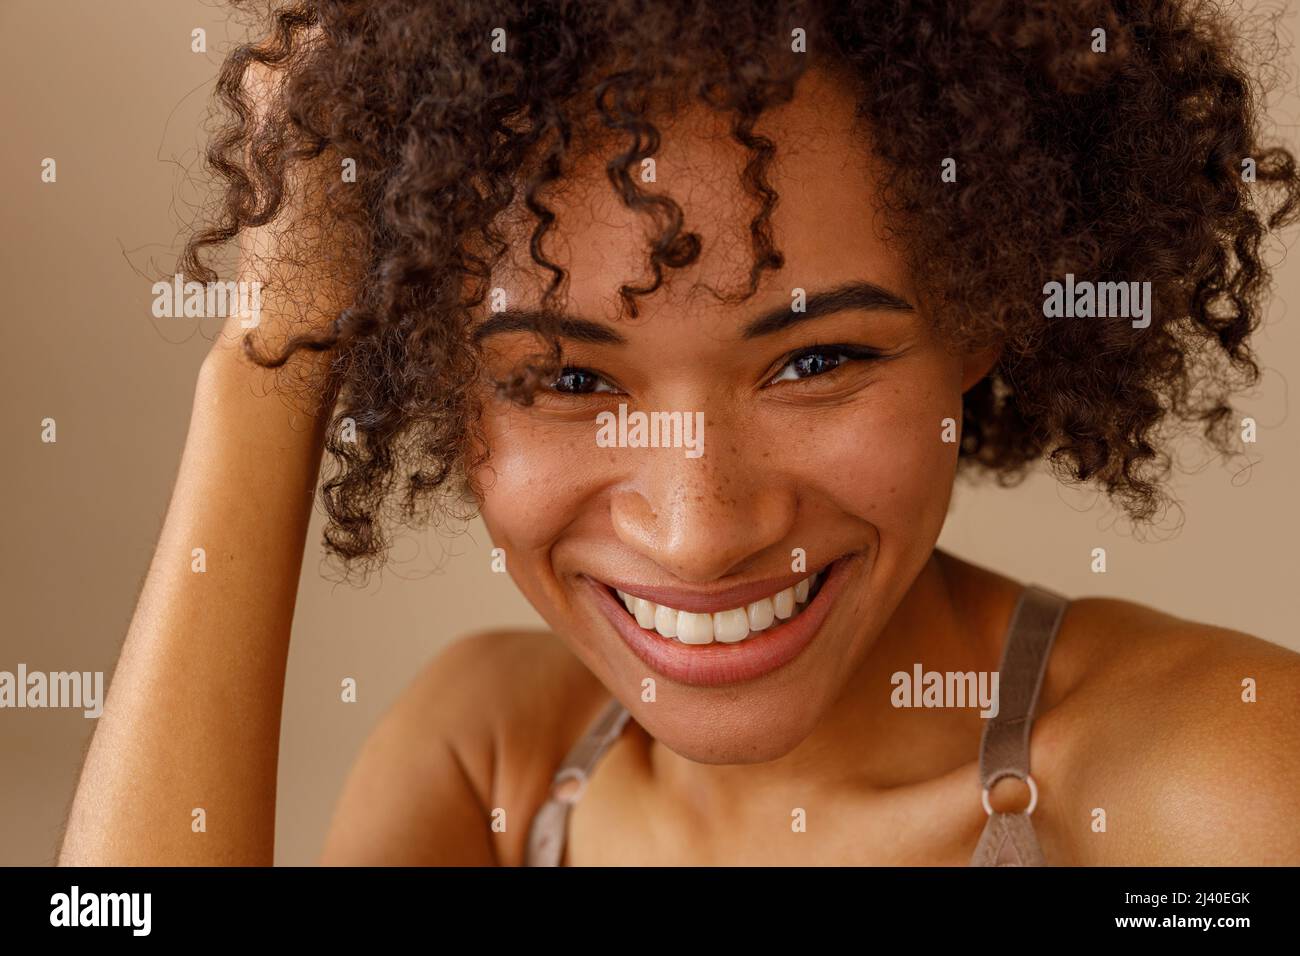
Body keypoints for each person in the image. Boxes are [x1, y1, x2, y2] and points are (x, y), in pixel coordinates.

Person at [60, 0, 1300, 866]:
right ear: (438, 378)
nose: (699, 529)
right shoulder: (494, 763)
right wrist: (268, 369)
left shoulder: (1217, 784)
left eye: (816, 359)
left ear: (984, 318)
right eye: (559, 376)